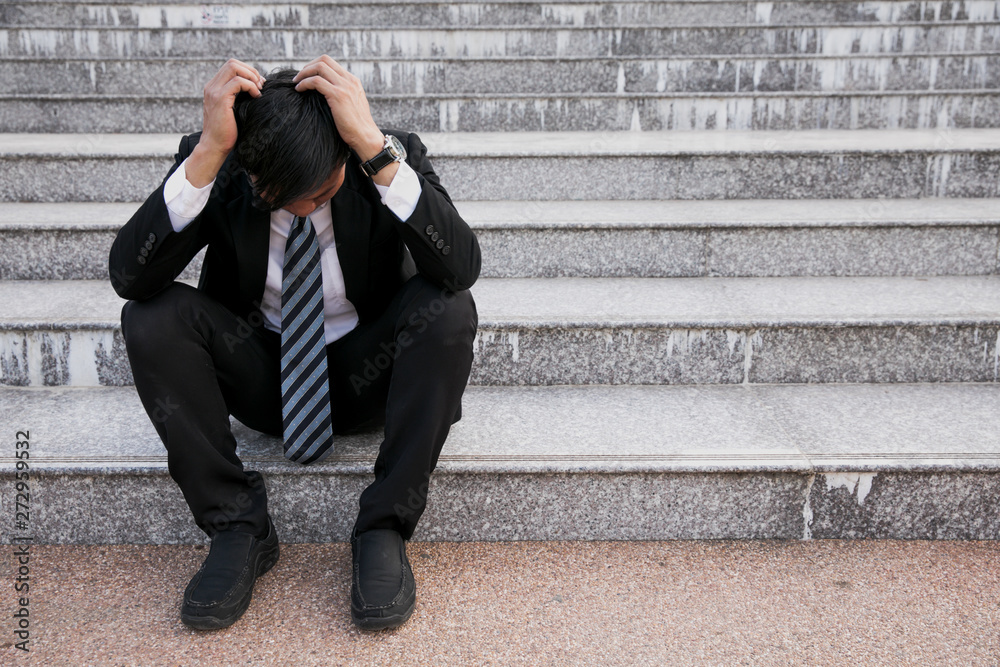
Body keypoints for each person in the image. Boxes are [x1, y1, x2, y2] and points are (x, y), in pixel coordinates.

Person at [108, 55, 481, 631]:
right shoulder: (224, 160)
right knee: (151, 316)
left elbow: (459, 267)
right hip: (262, 376)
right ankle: (239, 527)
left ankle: (383, 527)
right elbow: (131, 278)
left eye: (319, 192)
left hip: (369, 376)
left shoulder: (382, 151)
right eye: (281, 196)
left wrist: (372, 149)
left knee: (448, 308)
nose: (303, 207)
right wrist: (207, 154)